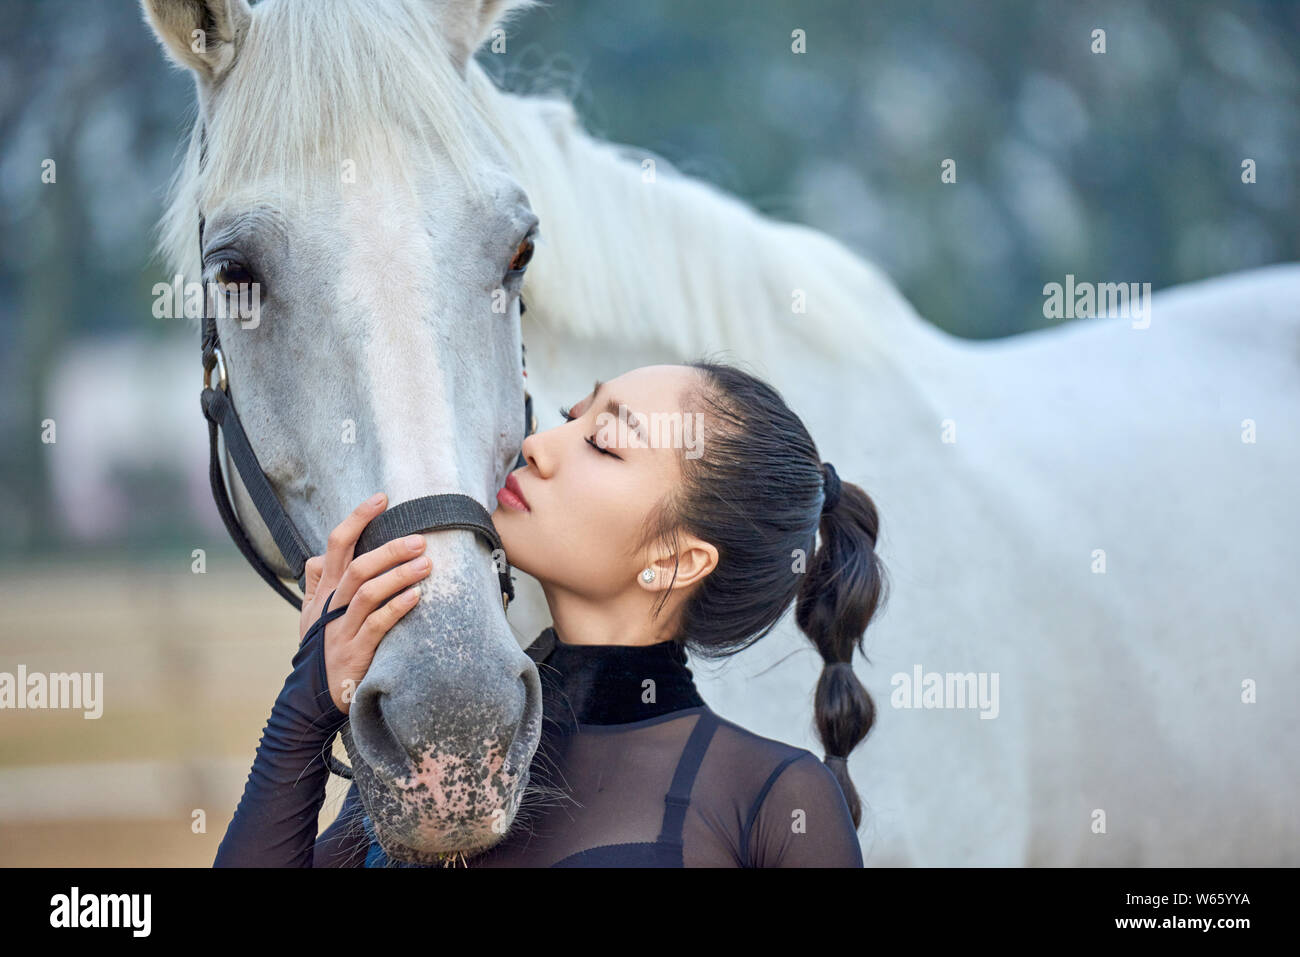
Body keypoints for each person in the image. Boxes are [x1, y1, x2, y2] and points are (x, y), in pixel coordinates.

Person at [214, 359, 888, 867]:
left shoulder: (773, 799)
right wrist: (309, 703)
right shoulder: (453, 747)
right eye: (570, 416)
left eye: (603, 442)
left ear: (677, 560)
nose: (539, 444)